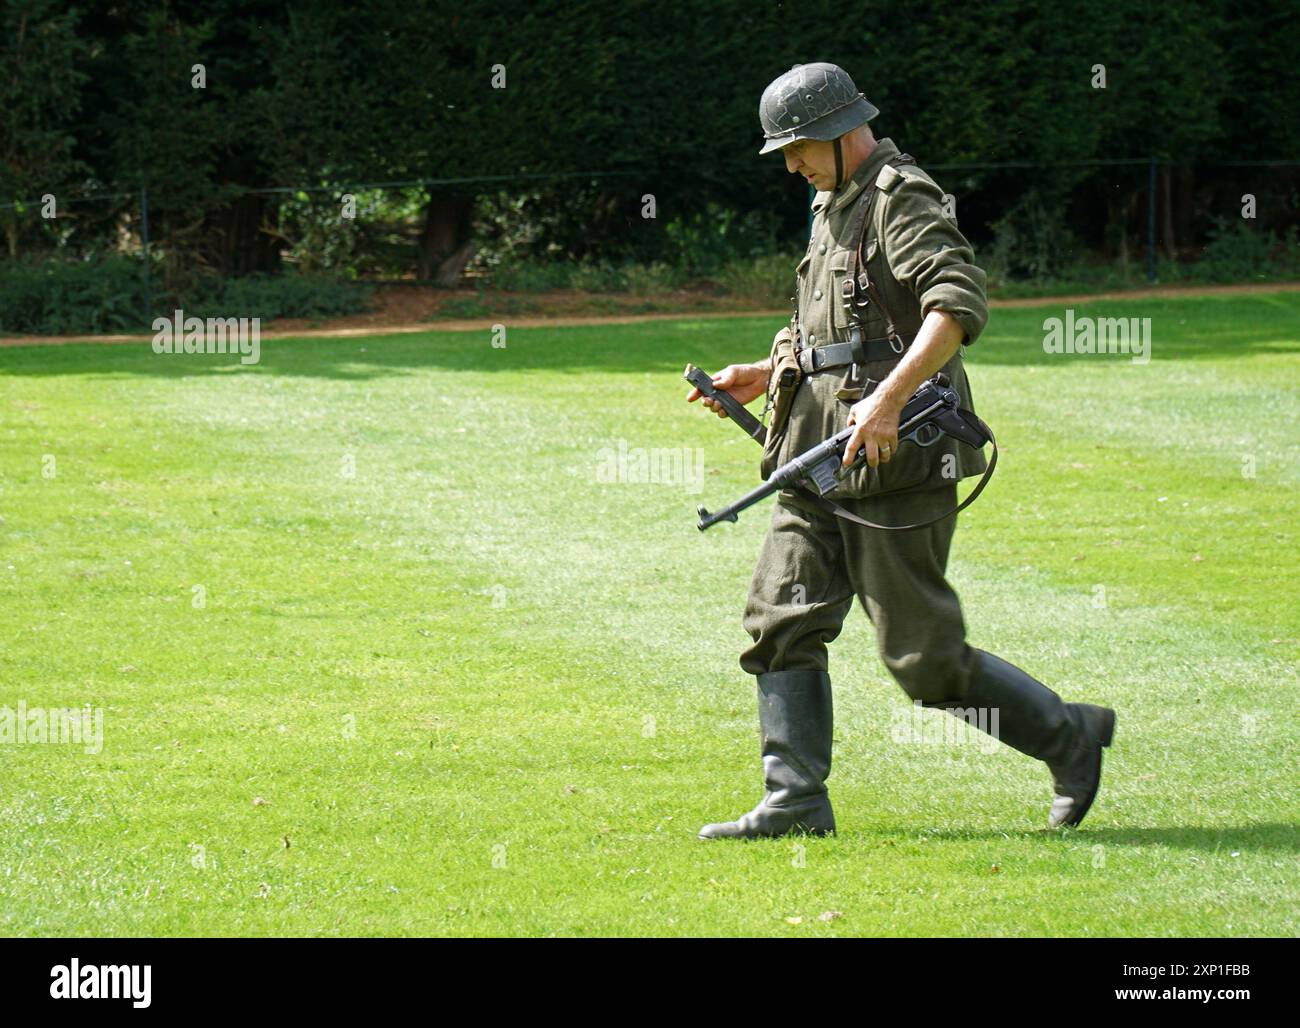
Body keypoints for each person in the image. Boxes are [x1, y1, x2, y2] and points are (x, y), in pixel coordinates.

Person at [686, 62, 1115, 839]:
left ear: (845, 129)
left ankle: (1069, 736)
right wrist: (765, 370)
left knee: (924, 663)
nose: (792, 164)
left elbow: (953, 302)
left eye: (801, 146)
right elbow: (838, 330)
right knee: (778, 619)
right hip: (816, 453)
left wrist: (886, 401)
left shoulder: (899, 195)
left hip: (895, 456)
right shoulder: (831, 202)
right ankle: (796, 799)